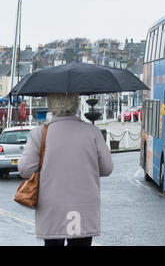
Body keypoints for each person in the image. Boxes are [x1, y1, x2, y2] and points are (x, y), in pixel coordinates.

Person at [18, 93, 113, 246]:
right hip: (84, 205)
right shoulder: (92, 132)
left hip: (51, 206)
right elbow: (107, 168)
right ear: (75, 104)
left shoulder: (39, 133)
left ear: (50, 105)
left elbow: (24, 170)